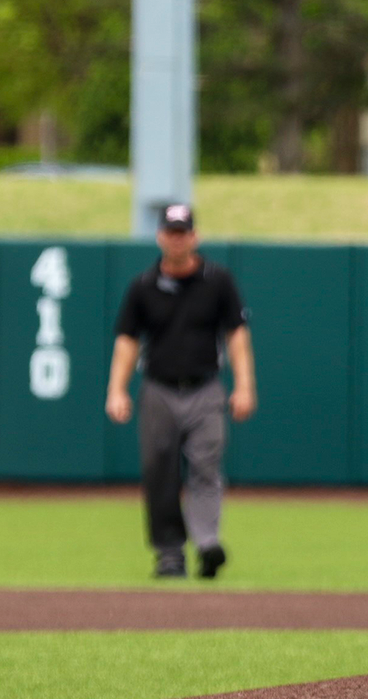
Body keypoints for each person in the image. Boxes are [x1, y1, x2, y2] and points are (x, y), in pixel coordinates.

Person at [106, 203, 256, 579]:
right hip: (159, 389)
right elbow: (127, 340)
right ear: (160, 237)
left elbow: (236, 335)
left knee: (206, 466)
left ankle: (207, 543)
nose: (177, 238)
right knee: (160, 472)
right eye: (171, 232)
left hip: (205, 389)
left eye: (183, 231)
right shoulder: (143, 286)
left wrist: (244, 385)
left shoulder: (218, 281)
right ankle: (170, 553)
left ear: (195, 236)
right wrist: (117, 390)